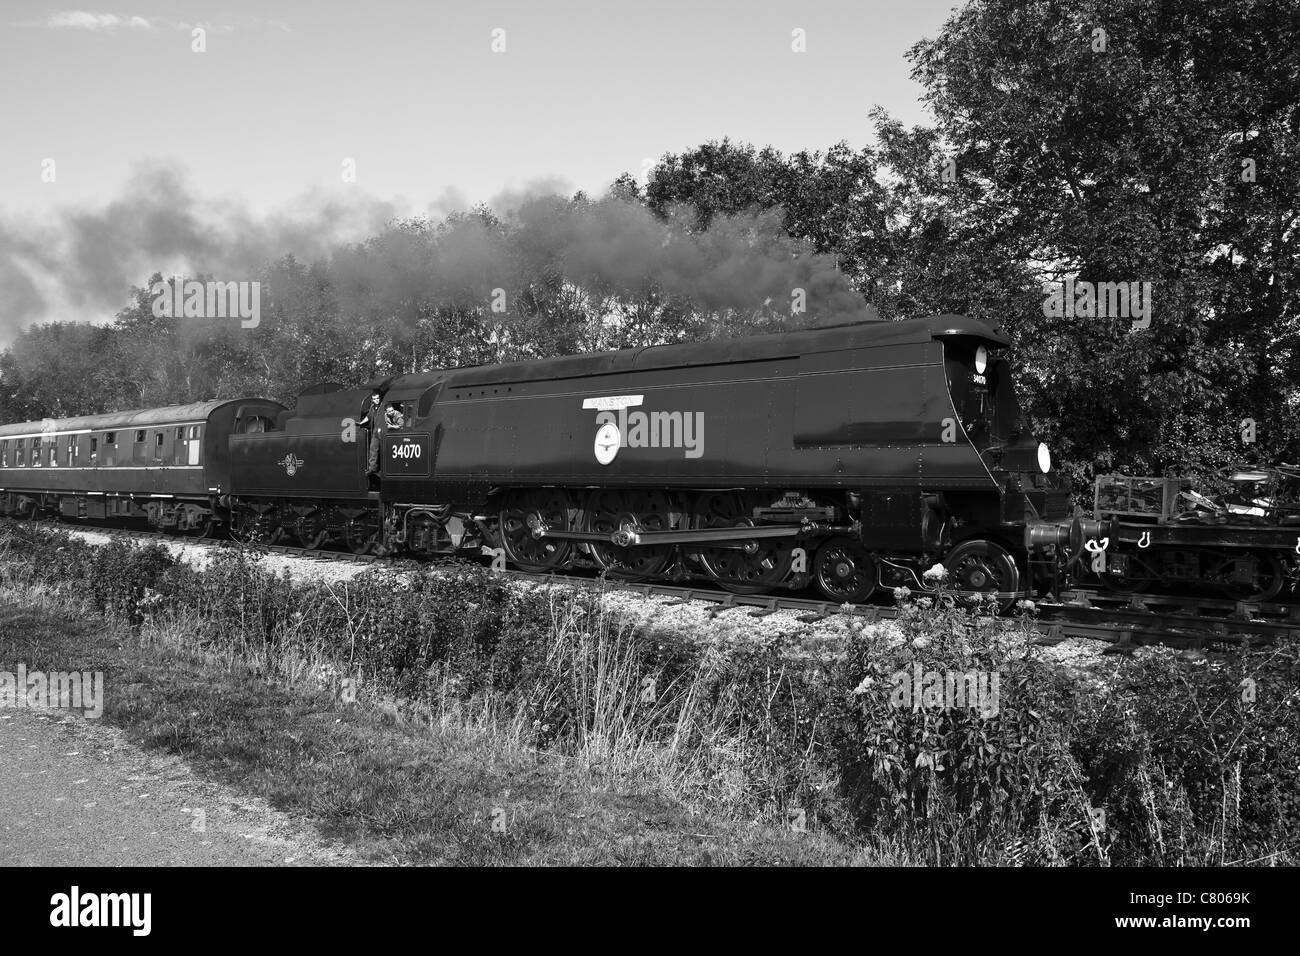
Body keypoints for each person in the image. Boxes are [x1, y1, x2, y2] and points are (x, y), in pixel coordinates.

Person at [357, 390, 383, 482]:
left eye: (377, 398)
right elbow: (368, 417)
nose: (376, 400)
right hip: (375, 431)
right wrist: (361, 423)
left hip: (382, 430)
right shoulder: (372, 408)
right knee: (373, 449)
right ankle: (372, 468)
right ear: (372, 400)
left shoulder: (383, 406)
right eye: (375, 399)